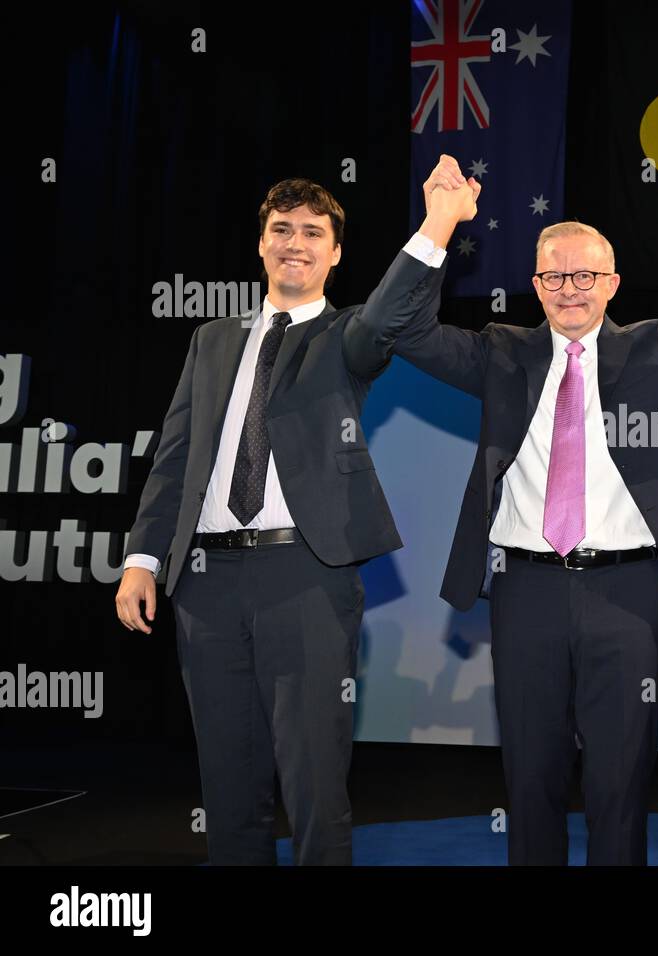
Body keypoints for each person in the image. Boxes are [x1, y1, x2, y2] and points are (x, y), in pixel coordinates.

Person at [395, 154, 658, 865]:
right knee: (530, 777)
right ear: (536, 284)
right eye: (555, 275)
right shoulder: (500, 354)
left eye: (586, 275)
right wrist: (438, 221)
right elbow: (401, 326)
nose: (570, 290)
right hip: (525, 589)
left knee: (620, 781)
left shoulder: (654, 348)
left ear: (612, 284)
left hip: (629, 593)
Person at [113, 172, 479, 864]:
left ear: (336, 254)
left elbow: (390, 313)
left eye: (313, 232)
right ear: (260, 243)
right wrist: (143, 559)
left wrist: (439, 222)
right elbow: (176, 455)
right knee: (227, 788)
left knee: (314, 788)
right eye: (281, 229)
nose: (295, 244)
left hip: (307, 578)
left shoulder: (348, 336)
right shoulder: (213, 339)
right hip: (205, 586)